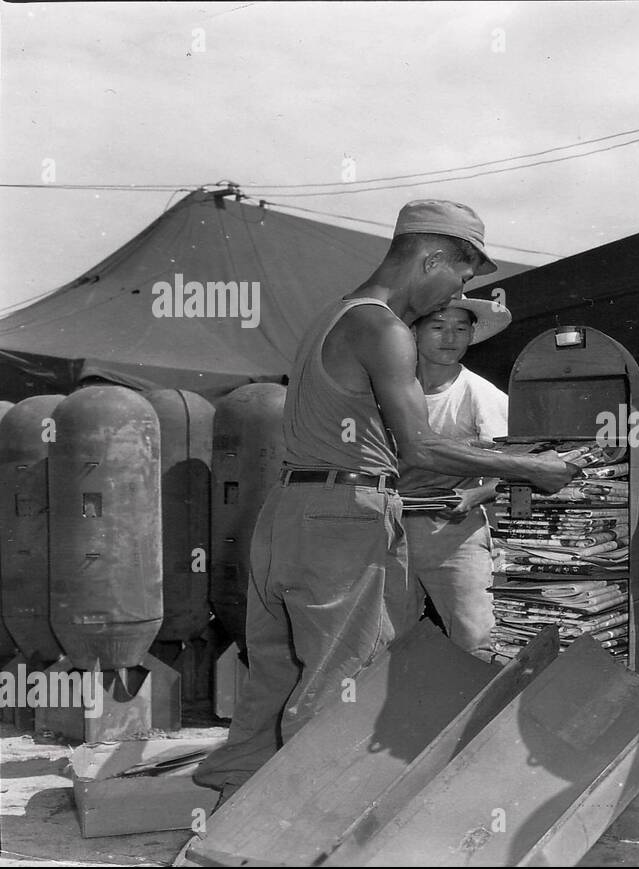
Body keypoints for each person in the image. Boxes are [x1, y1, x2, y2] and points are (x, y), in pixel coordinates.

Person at [194, 199, 573, 798]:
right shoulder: (384, 327)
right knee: (342, 685)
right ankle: (311, 831)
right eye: (462, 273)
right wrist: (526, 467)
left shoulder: (337, 314)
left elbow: (372, 444)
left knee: (277, 677)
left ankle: (231, 820)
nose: (458, 289)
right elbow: (420, 446)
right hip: (342, 520)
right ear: (433, 258)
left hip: (290, 513)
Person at [402, 295, 511, 663]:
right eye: (437, 327)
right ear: (414, 333)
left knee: (477, 637)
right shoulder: (392, 390)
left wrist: (476, 495)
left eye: (460, 328)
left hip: (453, 531)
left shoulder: (481, 394)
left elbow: (516, 468)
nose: (449, 337)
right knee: (382, 638)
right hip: (388, 527)